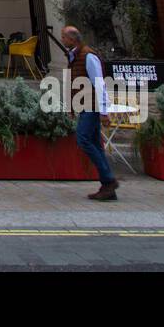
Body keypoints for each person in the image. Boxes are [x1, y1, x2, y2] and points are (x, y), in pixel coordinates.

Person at [63, 25, 120, 202]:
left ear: (72, 39)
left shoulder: (88, 56)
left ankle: (109, 179)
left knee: (83, 139)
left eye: (64, 37)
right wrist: (72, 107)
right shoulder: (75, 56)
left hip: (92, 106)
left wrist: (104, 111)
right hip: (85, 105)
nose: (62, 40)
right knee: (95, 142)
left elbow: (99, 84)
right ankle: (107, 186)